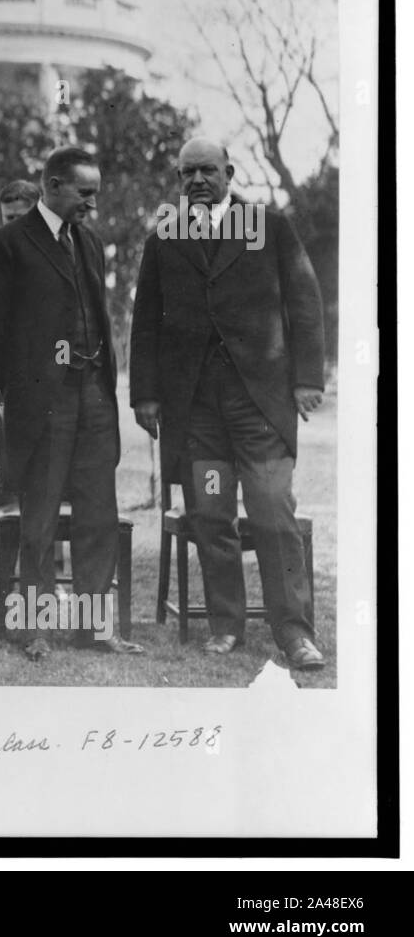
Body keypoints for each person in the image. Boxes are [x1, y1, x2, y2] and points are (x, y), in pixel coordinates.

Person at [130, 138, 326, 669]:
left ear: (229, 173)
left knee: (271, 512)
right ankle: (226, 626)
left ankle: (294, 631)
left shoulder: (270, 226)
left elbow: (304, 300)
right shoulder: (165, 237)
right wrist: (145, 394)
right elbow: (145, 319)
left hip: (259, 405)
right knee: (210, 515)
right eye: (186, 173)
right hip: (197, 413)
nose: (196, 181)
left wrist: (308, 377)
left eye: (207, 171)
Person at [0, 146, 143, 661]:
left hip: (94, 396)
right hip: (43, 404)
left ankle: (94, 627)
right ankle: (33, 627)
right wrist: (20, 389)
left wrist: (103, 381)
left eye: (95, 193)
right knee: (41, 516)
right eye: (85, 193)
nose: (92, 204)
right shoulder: (9, 243)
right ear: (53, 186)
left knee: (98, 512)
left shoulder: (90, 243)